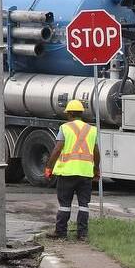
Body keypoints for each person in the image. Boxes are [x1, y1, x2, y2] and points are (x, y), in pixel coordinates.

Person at [44, 99, 100, 240]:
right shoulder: (92, 130)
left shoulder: (65, 128)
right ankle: (82, 234)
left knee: (64, 204)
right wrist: (96, 169)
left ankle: (61, 232)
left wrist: (49, 167)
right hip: (85, 173)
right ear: (81, 113)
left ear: (69, 113)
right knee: (84, 205)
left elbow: (57, 149)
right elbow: (96, 152)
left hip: (67, 173)